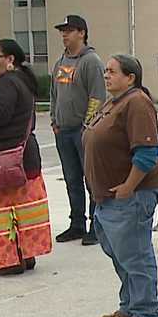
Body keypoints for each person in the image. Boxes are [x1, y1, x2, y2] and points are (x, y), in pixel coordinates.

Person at [84, 54, 158, 317]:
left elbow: (146, 153)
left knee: (135, 255)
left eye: (112, 71)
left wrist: (128, 186)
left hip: (130, 196)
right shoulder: (113, 102)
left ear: (130, 77)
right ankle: (130, 305)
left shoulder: (137, 103)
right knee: (120, 254)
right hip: (107, 197)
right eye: (105, 71)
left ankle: (146, 312)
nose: (106, 75)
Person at [0, 38, 52, 277]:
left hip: (1, 161)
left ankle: (8, 261)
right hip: (22, 160)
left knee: (0, 213)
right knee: (23, 211)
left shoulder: (7, 83)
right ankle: (26, 254)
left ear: (10, 59)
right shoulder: (22, 82)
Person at [50, 14, 106, 246]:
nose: (64, 34)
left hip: (82, 132)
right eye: (63, 31)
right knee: (71, 179)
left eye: (69, 30)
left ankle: (96, 225)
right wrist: (54, 119)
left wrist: (88, 125)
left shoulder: (90, 61)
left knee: (90, 180)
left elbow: (97, 96)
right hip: (62, 130)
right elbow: (54, 94)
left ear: (81, 33)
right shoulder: (61, 61)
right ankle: (76, 224)